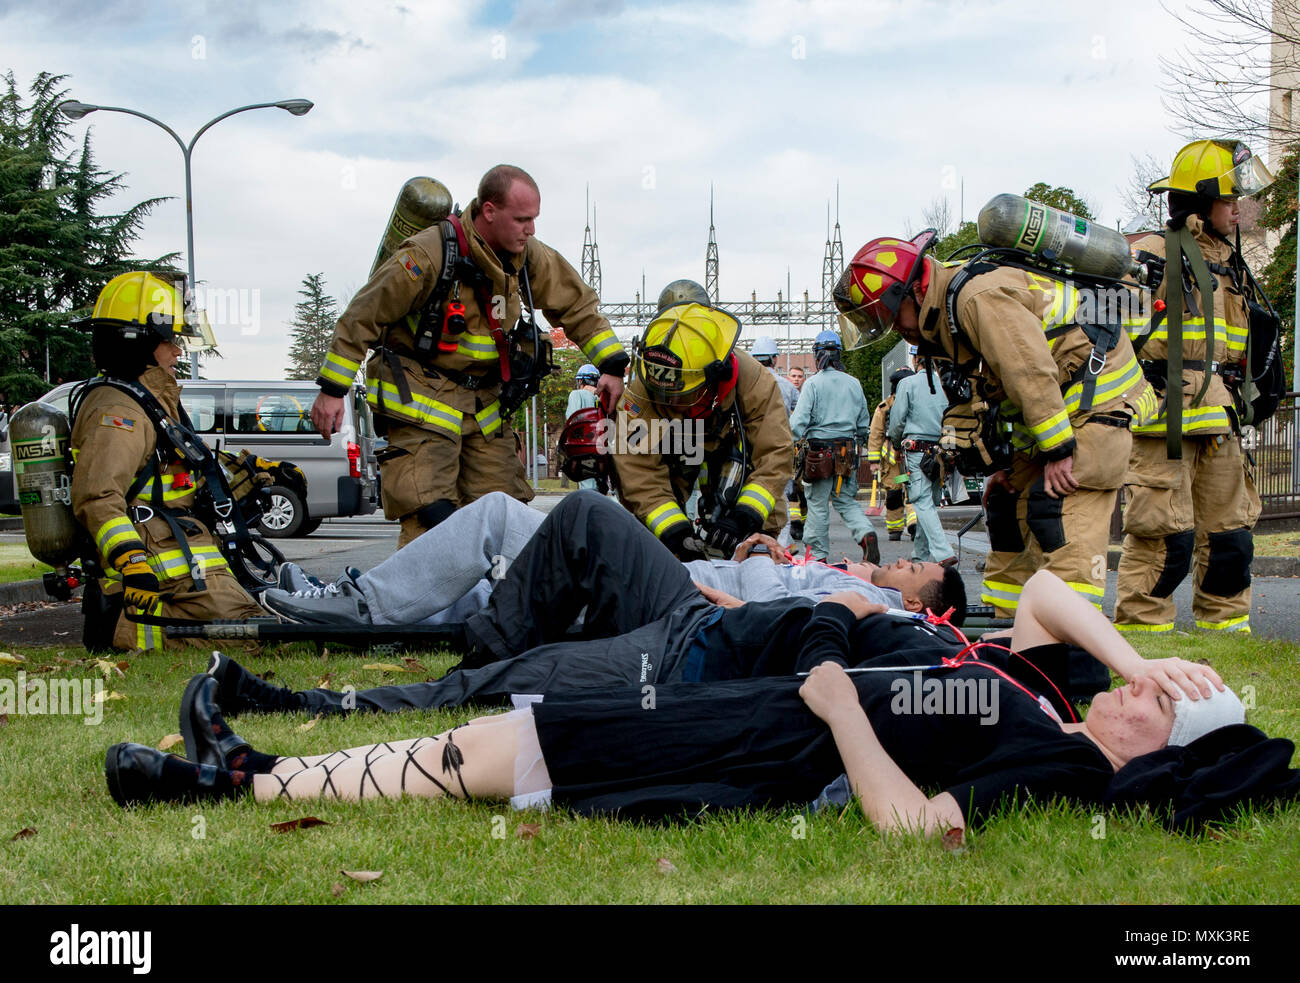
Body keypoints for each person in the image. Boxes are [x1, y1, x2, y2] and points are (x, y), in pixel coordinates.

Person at [106, 568, 1243, 839]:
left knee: (511, 735)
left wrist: (844, 705)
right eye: (1153, 684)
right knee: (491, 727)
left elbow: (926, 830)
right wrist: (1141, 651)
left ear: (1151, 752)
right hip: (742, 679)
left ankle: (243, 766)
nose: (1143, 691)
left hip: (746, 721)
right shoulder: (1062, 694)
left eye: (1162, 702)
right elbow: (1049, 588)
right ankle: (245, 766)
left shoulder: (1062, 762)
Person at [243, 490, 966, 715]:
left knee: (574, 520)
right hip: (679, 580)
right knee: (506, 539)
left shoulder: (873, 610)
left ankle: (376, 612)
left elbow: (765, 625)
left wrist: (728, 585)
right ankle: (345, 596)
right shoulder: (834, 569)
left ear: (928, 605)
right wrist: (757, 554)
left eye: (914, 568)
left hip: (685, 607)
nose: (900, 563)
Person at [836, 231, 1156, 617]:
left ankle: (1069, 647)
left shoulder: (976, 299)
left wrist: (1058, 449)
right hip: (1054, 409)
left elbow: (1028, 370)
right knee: (1004, 507)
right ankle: (1007, 629)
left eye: (890, 317)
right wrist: (1003, 468)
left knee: (1056, 506)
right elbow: (993, 395)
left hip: (1096, 405)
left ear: (914, 293)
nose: (893, 329)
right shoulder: (945, 320)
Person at [310, 165, 628, 549]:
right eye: (521, 219)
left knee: (504, 511)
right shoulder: (427, 254)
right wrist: (332, 389)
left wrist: (611, 365)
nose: (530, 230)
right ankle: (424, 606)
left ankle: (499, 604)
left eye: (534, 220)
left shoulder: (527, 257)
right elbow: (363, 314)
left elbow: (577, 304)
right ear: (489, 211)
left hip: (482, 406)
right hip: (420, 400)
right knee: (432, 514)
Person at [1116, 140, 1271, 634]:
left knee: (1231, 536)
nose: (1241, 211)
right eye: (1231, 201)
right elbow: (1106, 335)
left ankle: (1227, 629)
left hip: (1219, 419)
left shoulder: (1230, 266)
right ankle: (1144, 633)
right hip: (1164, 424)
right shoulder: (1151, 258)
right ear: (1202, 202)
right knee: (1162, 535)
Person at [69, 272, 268, 651]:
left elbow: (180, 468)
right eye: (169, 340)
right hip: (161, 570)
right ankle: (120, 630)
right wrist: (131, 562)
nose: (178, 351)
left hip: (185, 565)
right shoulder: (118, 411)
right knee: (253, 636)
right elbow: (97, 495)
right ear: (139, 343)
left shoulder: (152, 400)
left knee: (264, 620)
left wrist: (251, 473)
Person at [612, 286, 794, 560]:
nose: (672, 405)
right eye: (665, 398)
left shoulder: (753, 380)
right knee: (655, 533)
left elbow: (774, 456)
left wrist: (747, 515)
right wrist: (675, 533)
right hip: (676, 447)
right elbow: (639, 472)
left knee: (754, 529)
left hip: (732, 452)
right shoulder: (643, 388)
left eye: (683, 397)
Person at [789, 330, 880, 564]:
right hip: (846, 453)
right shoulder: (854, 384)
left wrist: (785, 445)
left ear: (818, 354)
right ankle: (865, 533)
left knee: (818, 504)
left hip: (819, 454)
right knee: (845, 500)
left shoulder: (813, 384)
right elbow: (862, 424)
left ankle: (817, 555)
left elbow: (798, 424)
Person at [890, 346, 956, 566]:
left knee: (921, 501)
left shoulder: (907, 384)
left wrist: (896, 445)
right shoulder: (946, 384)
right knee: (930, 503)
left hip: (917, 451)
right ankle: (920, 557)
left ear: (915, 358)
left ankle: (943, 552)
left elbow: (898, 420)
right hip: (941, 452)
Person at [749, 335, 801, 544]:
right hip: (780, 449)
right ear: (775, 359)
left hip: (751, 449)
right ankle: (782, 546)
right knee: (781, 497)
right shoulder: (787, 386)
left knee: (752, 495)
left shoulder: (747, 385)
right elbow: (799, 417)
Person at [868, 366, 917, 541]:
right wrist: (874, 461)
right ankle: (895, 529)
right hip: (893, 461)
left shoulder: (917, 402)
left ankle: (914, 524)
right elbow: (876, 434)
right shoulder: (884, 407)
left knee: (913, 490)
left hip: (913, 455)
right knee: (895, 492)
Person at [563, 364, 602, 491]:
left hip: (584, 447)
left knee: (587, 486)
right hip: (603, 447)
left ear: (581, 380)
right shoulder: (603, 397)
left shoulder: (576, 394)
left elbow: (571, 419)